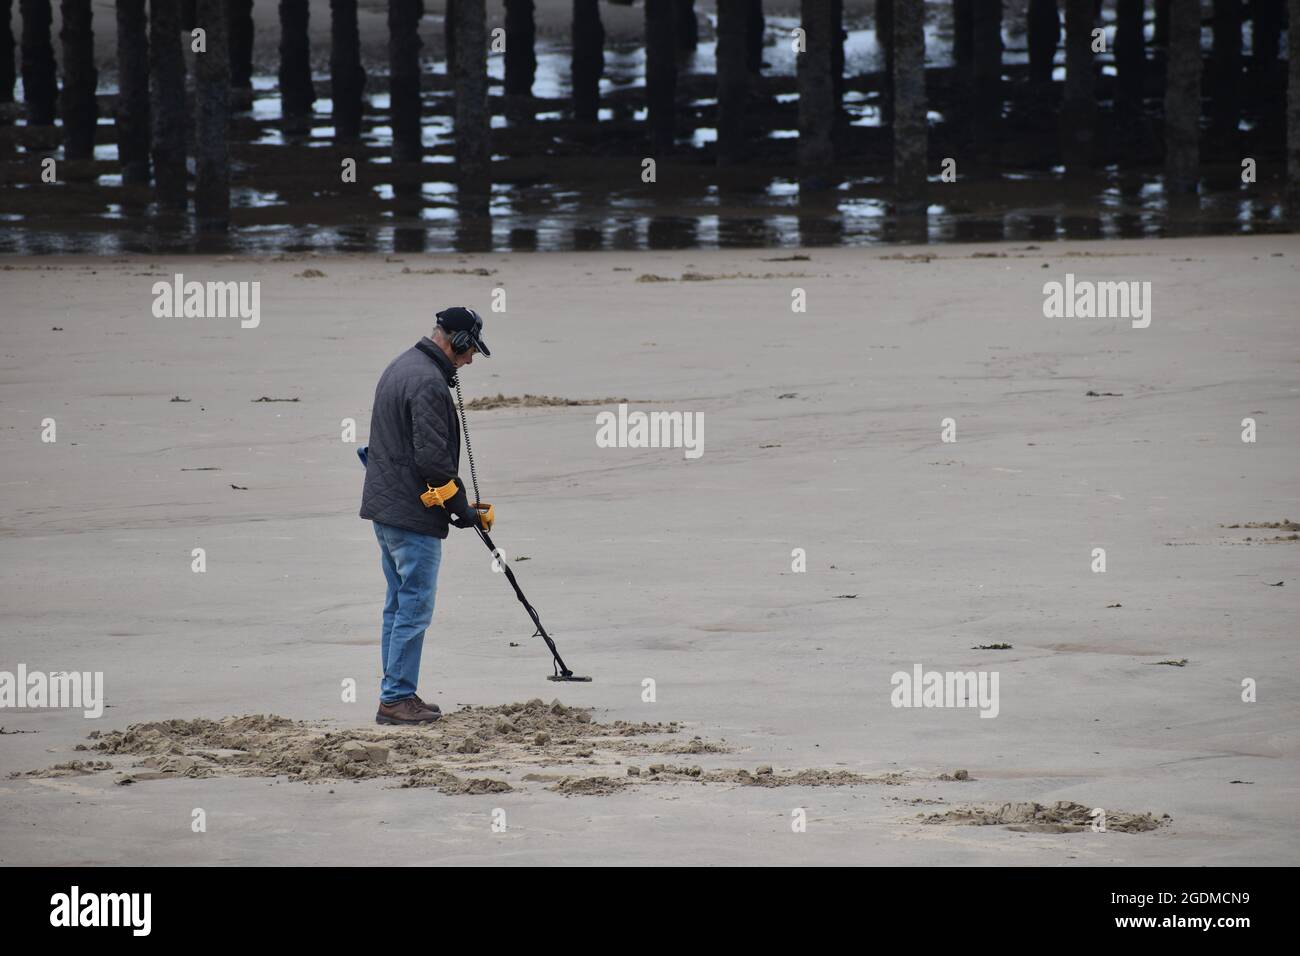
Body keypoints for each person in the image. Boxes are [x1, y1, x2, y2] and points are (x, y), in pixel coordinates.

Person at [358, 307, 492, 725]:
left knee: (397, 605)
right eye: (470, 352)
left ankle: (398, 692)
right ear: (459, 342)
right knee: (413, 607)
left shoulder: (402, 365)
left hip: (387, 507)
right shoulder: (428, 382)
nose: (470, 361)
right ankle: (396, 698)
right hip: (409, 514)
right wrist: (462, 511)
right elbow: (434, 462)